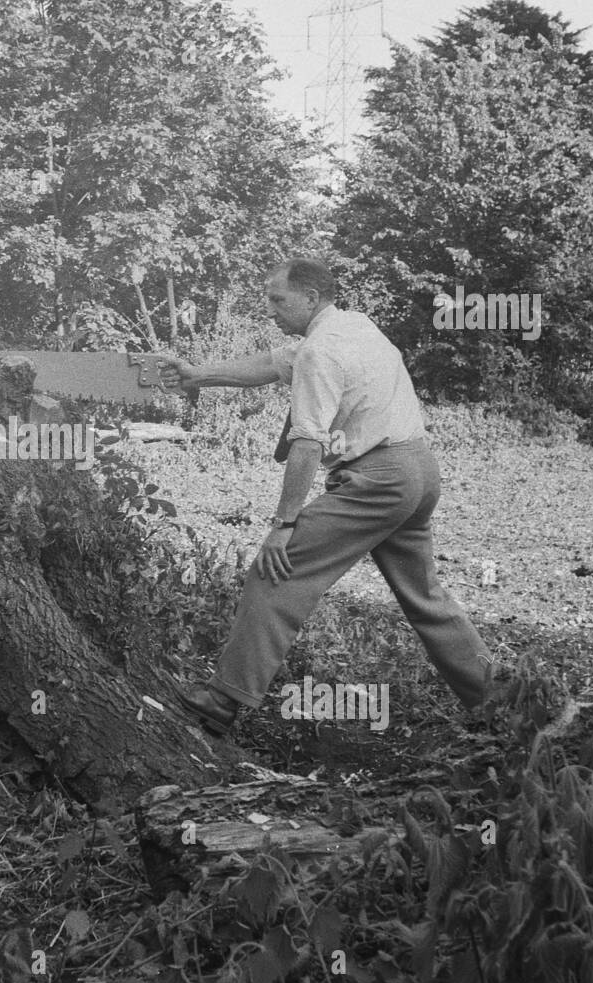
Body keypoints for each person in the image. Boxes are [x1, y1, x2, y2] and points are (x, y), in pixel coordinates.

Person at [161, 257, 492, 737]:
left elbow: (308, 443)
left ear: (311, 298)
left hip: (378, 480)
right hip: (418, 471)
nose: (269, 309)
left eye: (278, 299)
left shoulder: (320, 352)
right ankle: (499, 702)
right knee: (426, 598)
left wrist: (284, 525)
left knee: (277, 570)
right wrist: (195, 375)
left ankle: (222, 699)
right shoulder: (353, 326)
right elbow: (272, 364)